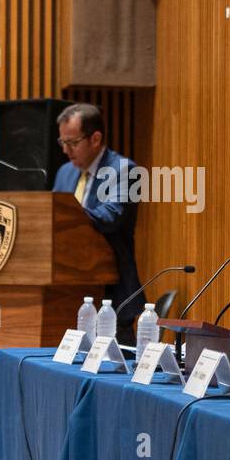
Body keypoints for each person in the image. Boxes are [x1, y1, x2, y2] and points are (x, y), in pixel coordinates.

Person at [52, 103, 143, 341]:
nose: (66, 151)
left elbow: (110, 217)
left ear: (95, 138)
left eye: (72, 143)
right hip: (64, 293)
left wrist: (66, 213)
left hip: (111, 295)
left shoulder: (125, 171)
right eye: (63, 143)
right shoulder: (64, 172)